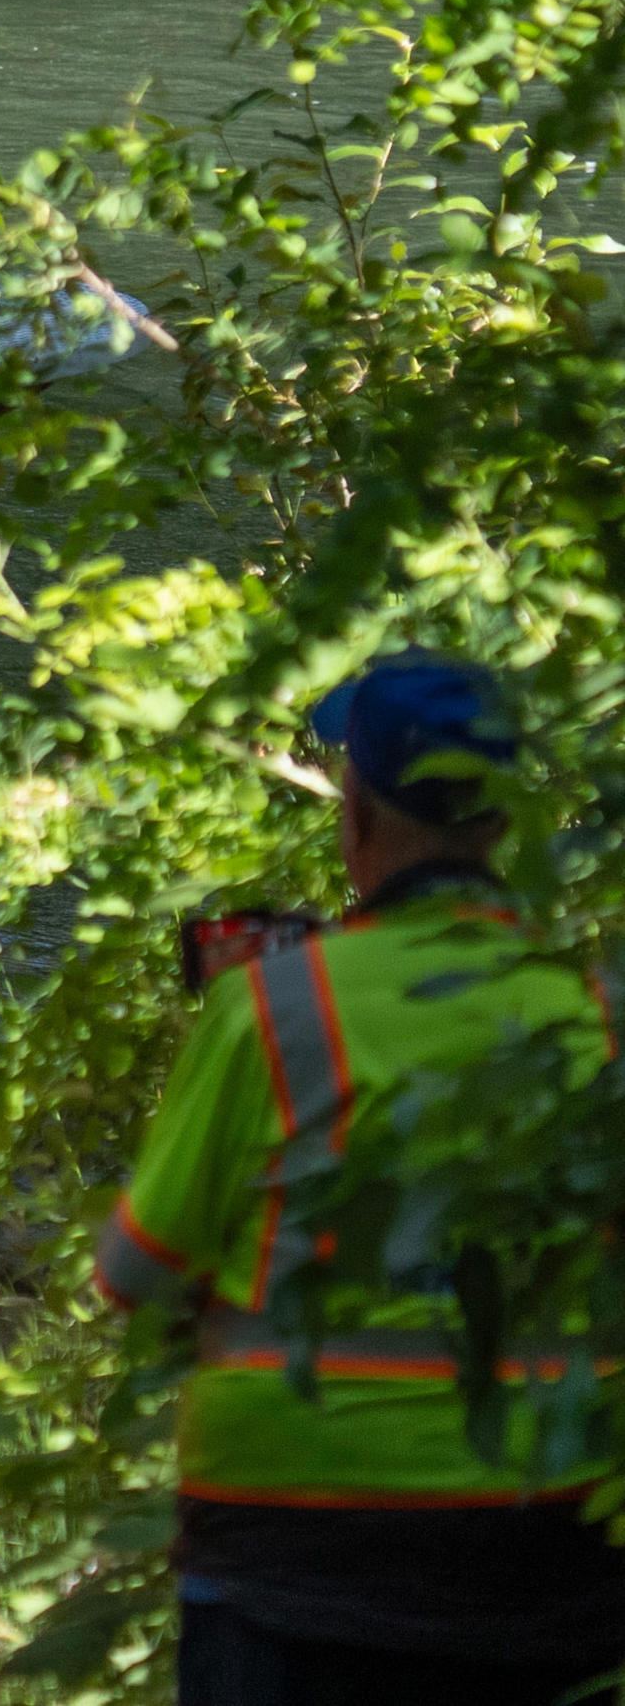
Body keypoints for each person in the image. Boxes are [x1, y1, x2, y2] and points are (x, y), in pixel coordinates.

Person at [94, 651, 625, 1702]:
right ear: (503, 820)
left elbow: (130, 1274)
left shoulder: (277, 1010)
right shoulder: (600, 1011)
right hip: (548, 1545)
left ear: (355, 811)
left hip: (289, 1547)